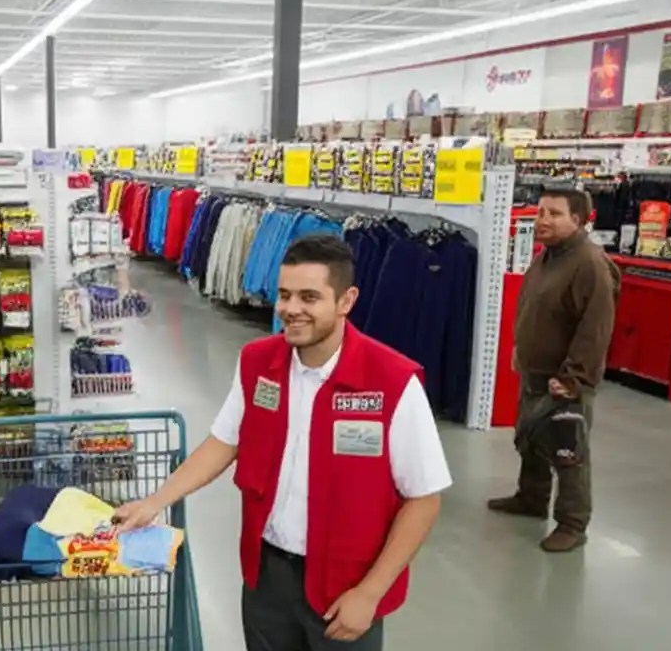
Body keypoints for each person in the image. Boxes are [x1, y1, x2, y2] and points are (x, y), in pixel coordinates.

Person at [115, 234, 451, 650]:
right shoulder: (258, 363)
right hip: (266, 577)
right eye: (285, 295)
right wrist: (156, 501)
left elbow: (424, 499)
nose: (292, 310)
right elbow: (224, 441)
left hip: (345, 586)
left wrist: (370, 593)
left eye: (309, 297)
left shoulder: (391, 382)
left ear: (346, 301)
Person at [488, 187, 619, 553]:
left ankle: (573, 524)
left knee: (568, 451)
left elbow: (595, 327)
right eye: (541, 211)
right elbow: (534, 307)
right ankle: (531, 498)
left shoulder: (589, 265)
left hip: (565, 380)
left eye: (555, 214)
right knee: (531, 440)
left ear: (577, 220)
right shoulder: (547, 257)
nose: (543, 219)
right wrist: (520, 349)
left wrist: (573, 377)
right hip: (536, 372)